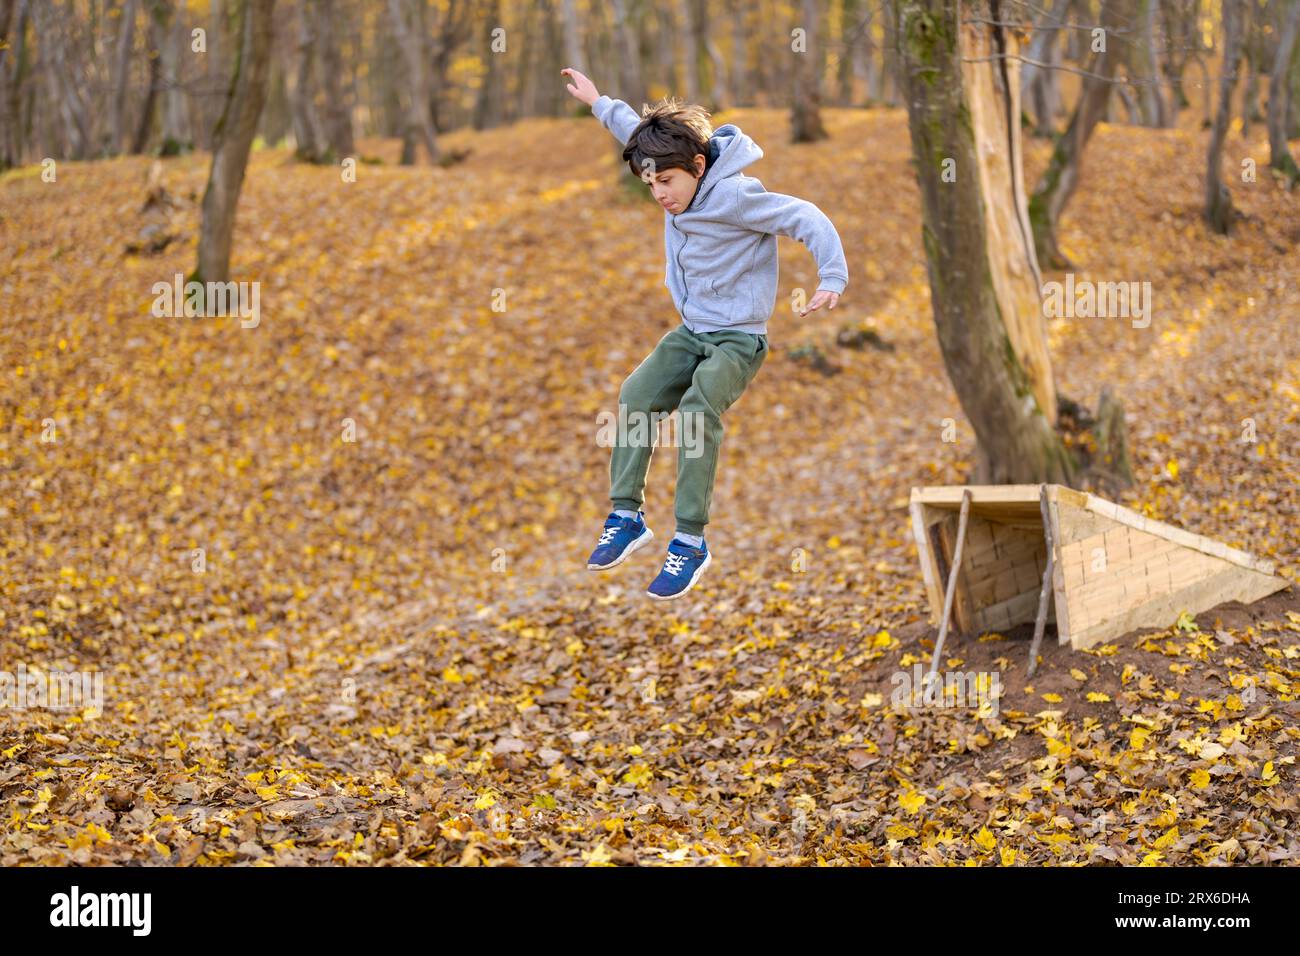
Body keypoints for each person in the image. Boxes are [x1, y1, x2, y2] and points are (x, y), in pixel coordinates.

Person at [562, 67, 849, 599]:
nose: (659, 196)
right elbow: (633, 130)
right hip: (692, 331)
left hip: (739, 341)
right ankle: (626, 515)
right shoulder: (669, 171)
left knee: (696, 413)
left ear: (698, 166)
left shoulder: (738, 198)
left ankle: (690, 544)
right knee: (636, 394)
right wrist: (599, 101)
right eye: (649, 185)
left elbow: (806, 216)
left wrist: (831, 276)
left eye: (666, 182)